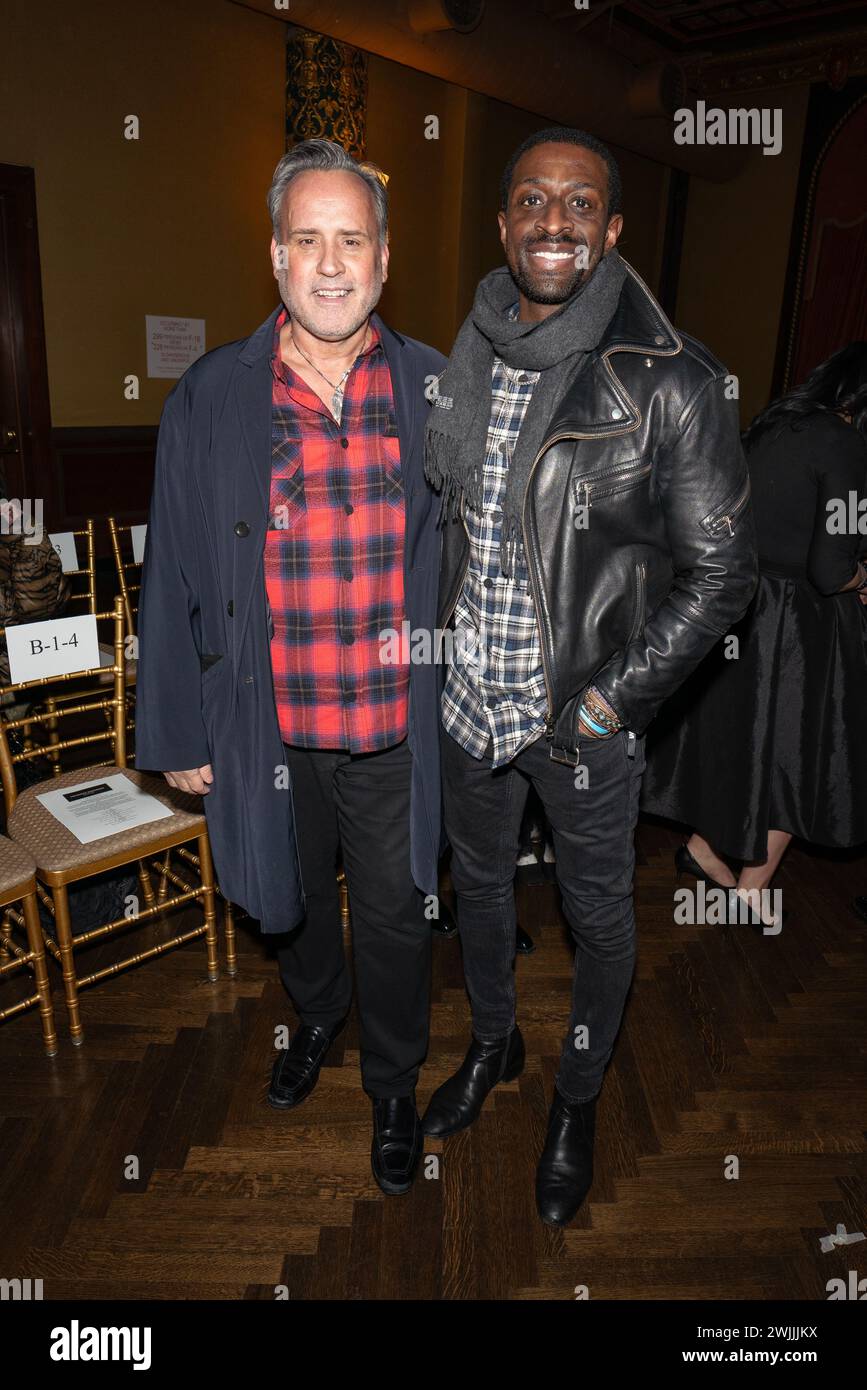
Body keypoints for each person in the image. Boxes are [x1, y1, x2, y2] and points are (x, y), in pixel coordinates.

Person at [422, 126, 757, 1226]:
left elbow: (724, 577)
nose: (551, 222)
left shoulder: (673, 379)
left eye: (578, 205)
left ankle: (577, 1097)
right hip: (473, 699)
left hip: (583, 716)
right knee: (478, 890)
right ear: (503, 221)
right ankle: (494, 1044)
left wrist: (610, 702)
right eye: (530, 201)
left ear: (610, 229)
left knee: (597, 917)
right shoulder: (464, 354)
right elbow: (456, 526)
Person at [135, 139, 446, 1196]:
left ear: (382, 258)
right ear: (274, 256)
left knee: (401, 913)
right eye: (306, 238)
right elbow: (172, 565)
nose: (328, 261)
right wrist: (179, 732)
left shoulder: (437, 388)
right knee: (296, 896)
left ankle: (395, 1083)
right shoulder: (212, 395)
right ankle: (316, 1015)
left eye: (349, 238)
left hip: (400, 721)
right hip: (267, 720)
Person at [642, 343, 867, 924]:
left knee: (748, 749)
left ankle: (703, 850)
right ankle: (751, 890)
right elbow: (831, 568)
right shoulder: (844, 442)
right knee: (804, 756)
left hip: (740, 605)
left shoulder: (773, 423)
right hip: (799, 624)